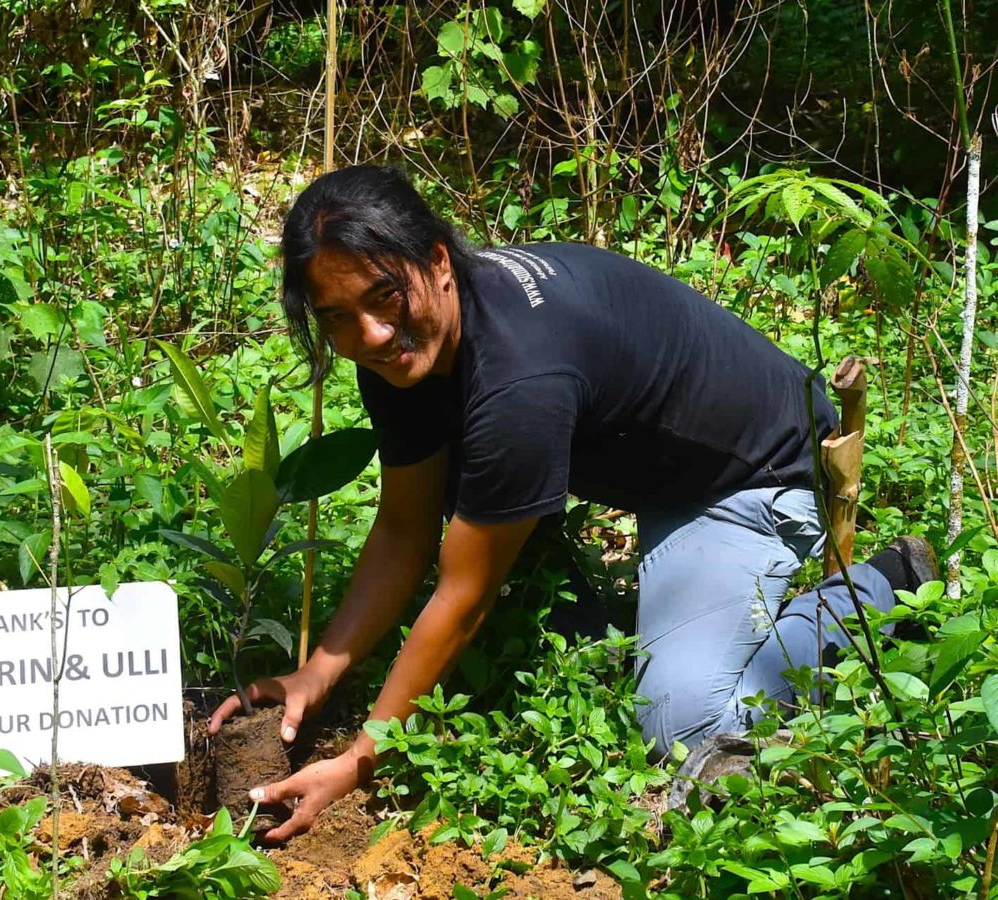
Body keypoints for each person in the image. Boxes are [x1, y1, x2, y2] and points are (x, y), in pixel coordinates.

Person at [206, 165, 937, 841]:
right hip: (647, 463)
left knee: (680, 722)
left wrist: (363, 757)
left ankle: (886, 584)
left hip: (759, 472)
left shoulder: (519, 376)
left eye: (381, 297)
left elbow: (463, 596)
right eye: (335, 317)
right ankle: (601, 620)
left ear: (435, 260)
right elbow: (404, 527)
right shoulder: (403, 340)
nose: (366, 333)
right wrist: (317, 671)